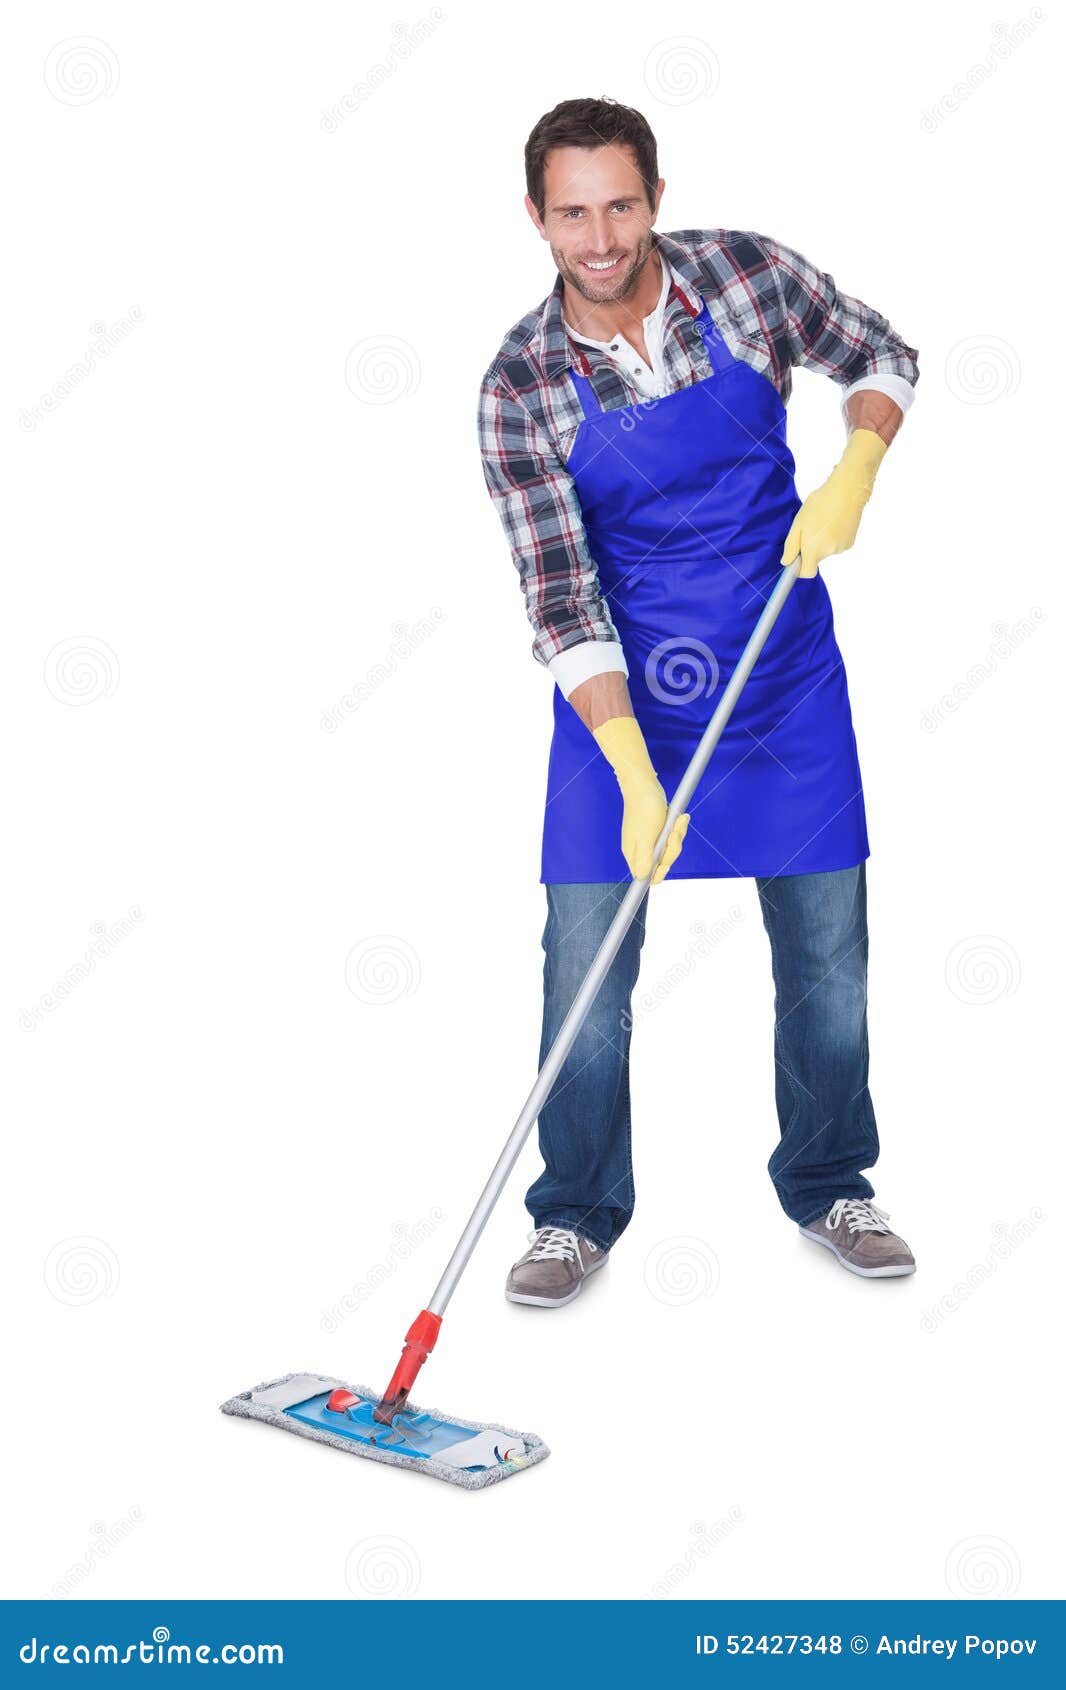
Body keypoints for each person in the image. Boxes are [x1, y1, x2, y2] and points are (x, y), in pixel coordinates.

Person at [477, 97, 919, 1305]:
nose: (600, 237)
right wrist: (632, 775)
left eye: (620, 205)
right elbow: (560, 599)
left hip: (780, 675)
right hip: (625, 700)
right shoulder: (520, 382)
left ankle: (830, 1181)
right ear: (537, 218)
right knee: (584, 968)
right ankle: (574, 1211)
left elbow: (883, 354)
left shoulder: (744, 277)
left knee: (826, 955)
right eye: (572, 213)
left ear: (655, 198)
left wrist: (857, 465)